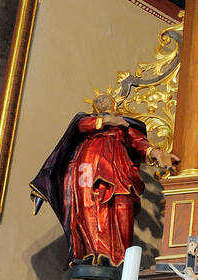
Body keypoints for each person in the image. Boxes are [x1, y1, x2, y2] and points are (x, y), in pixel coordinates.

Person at [30, 93, 177, 266]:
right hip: (87, 168)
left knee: (122, 204)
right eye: (98, 101)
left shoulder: (125, 126)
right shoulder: (87, 122)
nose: (102, 101)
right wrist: (106, 121)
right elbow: (81, 125)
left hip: (118, 167)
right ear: (93, 107)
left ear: (115, 105)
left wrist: (158, 153)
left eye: (106, 99)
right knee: (88, 207)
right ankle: (92, 253)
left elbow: (139, 143)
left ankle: (120, 257)